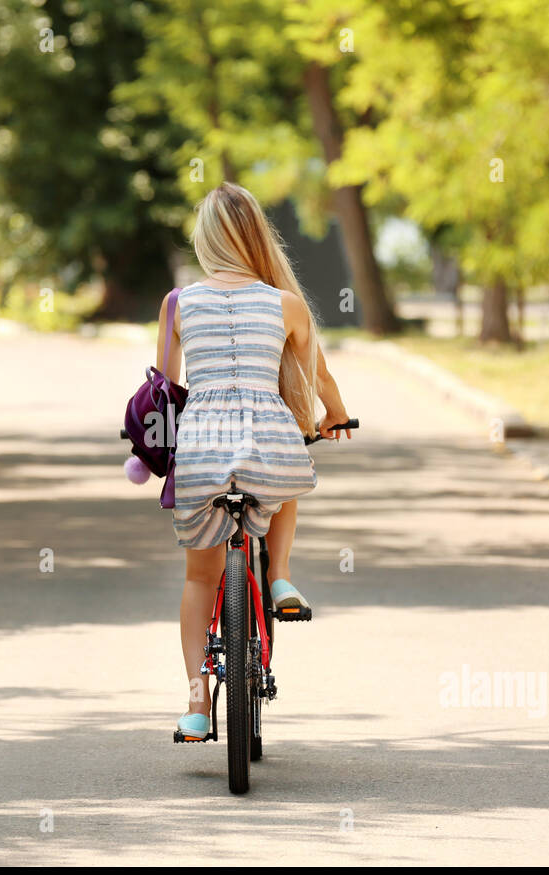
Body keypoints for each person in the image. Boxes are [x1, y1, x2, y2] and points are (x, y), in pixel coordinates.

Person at [155, 182, 352, 739]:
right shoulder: (284, 303)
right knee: (285, 479)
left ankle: (196, 702)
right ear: (256, 238)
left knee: (200, 578)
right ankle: (283, 578)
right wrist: (334, 415)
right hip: (268, 438)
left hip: (200, 446)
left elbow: (164, 386)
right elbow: (320, 377)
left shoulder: (178, 303)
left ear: (206, 239)